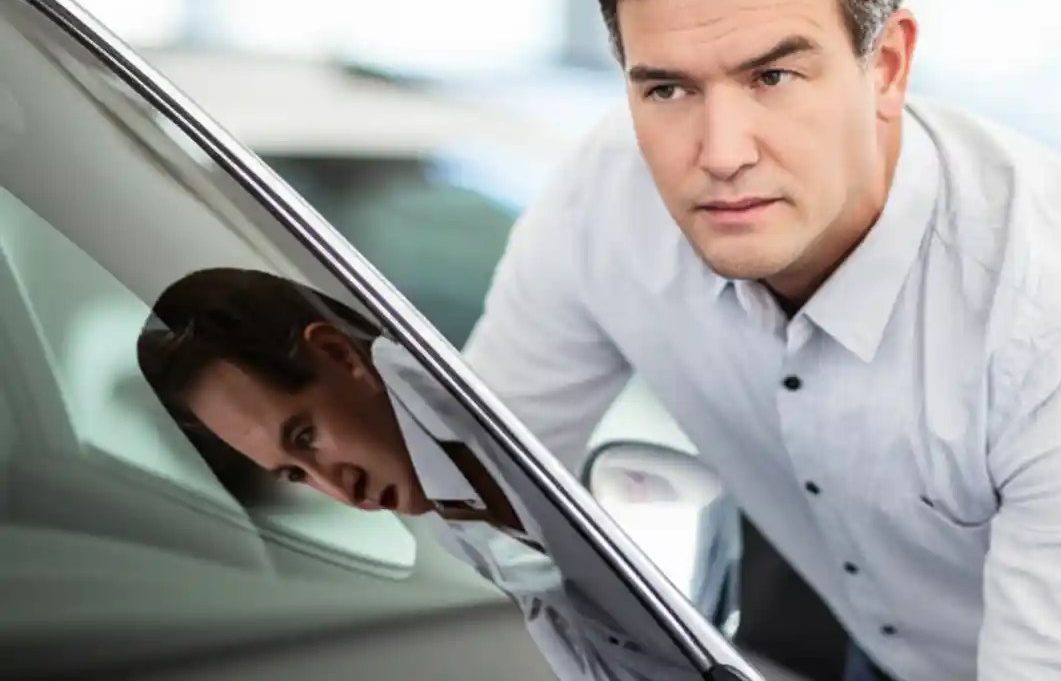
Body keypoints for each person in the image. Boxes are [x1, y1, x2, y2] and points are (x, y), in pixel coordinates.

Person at [460, 0, 1061, 678]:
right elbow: (469, 483)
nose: (721, 152)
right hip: (883, 654)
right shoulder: (604, 200)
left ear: (886, 66)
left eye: (773, 77)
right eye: (668, 89)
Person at [136, 267, 690, 681]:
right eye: (297, 476)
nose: (341, 489)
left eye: (306, 437)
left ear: (341, 356)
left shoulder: (518, 416)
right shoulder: (456, 524)